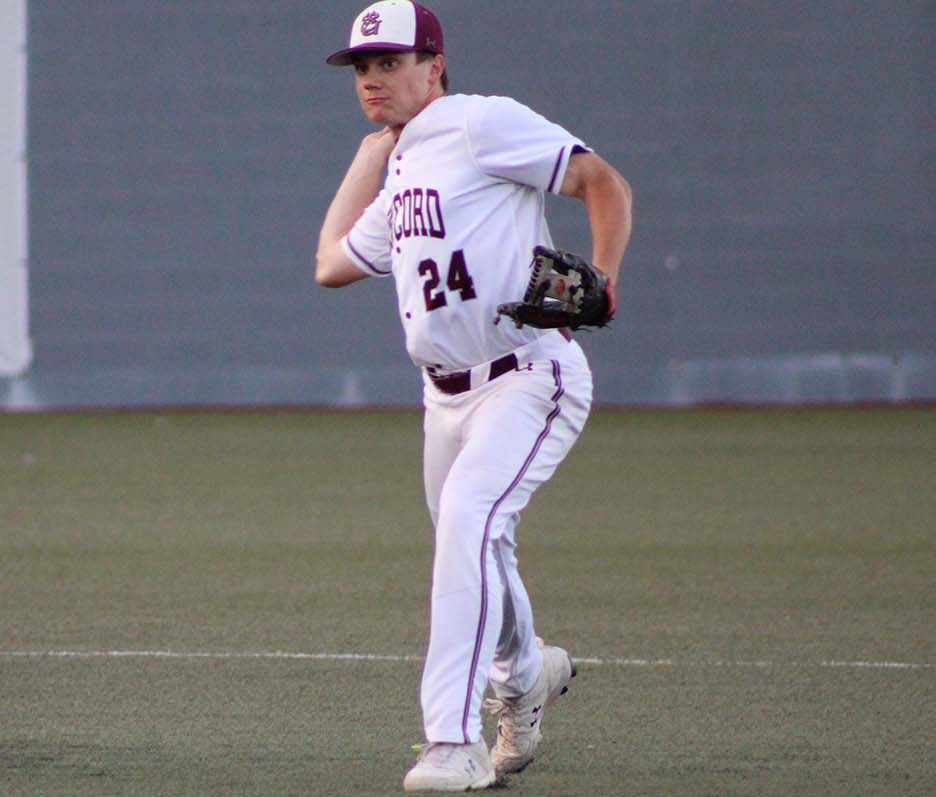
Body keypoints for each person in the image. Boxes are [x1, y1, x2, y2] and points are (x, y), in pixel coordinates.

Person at [314, 1, 632, 791]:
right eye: (363, 67)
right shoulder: (403, 168)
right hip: (444, 400)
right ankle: (526, 676)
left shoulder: (479, 122)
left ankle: (451, 741)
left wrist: (605, 275)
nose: (373, 79)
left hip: (527, 374)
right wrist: (368, 158)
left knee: (467, 520)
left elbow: (601, 180)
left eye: (391, 63)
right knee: (478, 542)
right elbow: (330, 264)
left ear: (435, 66)